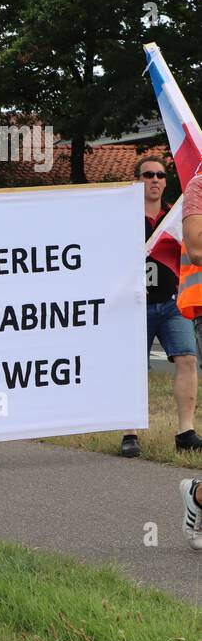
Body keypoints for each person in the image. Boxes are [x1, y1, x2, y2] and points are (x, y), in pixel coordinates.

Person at [124, 156, 202, 457]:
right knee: (132, 368)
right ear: (137, 180)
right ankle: (129, 432)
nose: (154, 179)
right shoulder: (123, 218)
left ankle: (185, 431)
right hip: (134, 305)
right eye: (147, 175)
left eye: (159, 175)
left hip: (172, 302)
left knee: (186, 360)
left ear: (167, 182)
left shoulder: (177, 217)